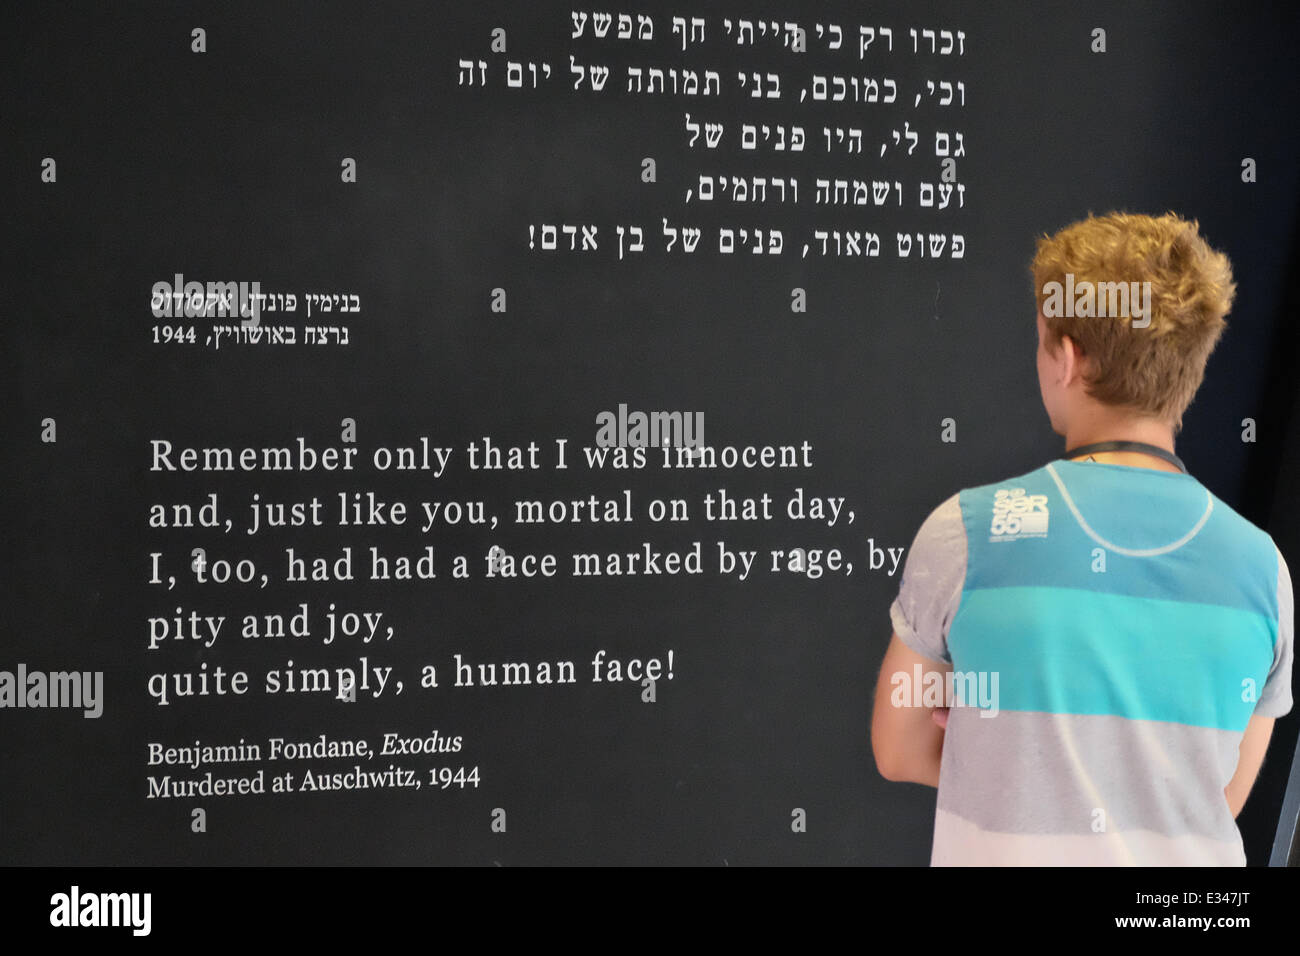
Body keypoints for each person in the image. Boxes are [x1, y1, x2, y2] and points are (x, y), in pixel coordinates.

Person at [870, 211, 1294, 865]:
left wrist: (1001, 739)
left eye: (1043, 342)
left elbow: (899, 748)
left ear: (1066, 358)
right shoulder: (1263, 571)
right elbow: (1215, 798)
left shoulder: (970, 533)